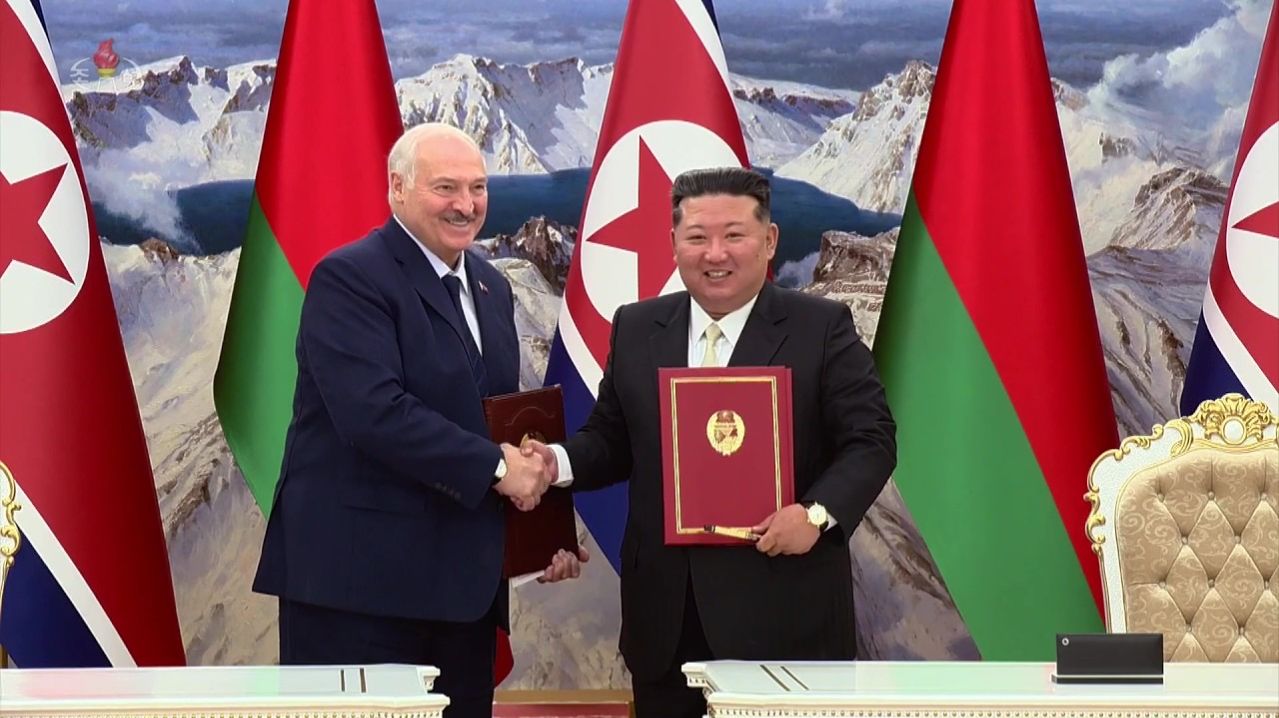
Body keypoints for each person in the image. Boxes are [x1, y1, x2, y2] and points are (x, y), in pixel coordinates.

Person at [526, 167, 897, 718]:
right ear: (674, 242)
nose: (715, 254)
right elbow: (611, 439)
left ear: (769, 240)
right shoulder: (637, 327)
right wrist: (551, 462)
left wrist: (815, 516)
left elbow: (872, 439)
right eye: (697, 237)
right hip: (665, 625)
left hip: (785, 623)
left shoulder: (820, 328)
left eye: (734, 235)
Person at [252, 123, 584, 718]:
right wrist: (498, 468)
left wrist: (539, 539)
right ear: (397, 188)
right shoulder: (350, 278)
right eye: (446, 187)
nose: (466, 204)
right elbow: (374, 414)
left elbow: (493, 424)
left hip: (462, 604)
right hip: (359, 599)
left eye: (478, 187)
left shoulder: (491, 288)